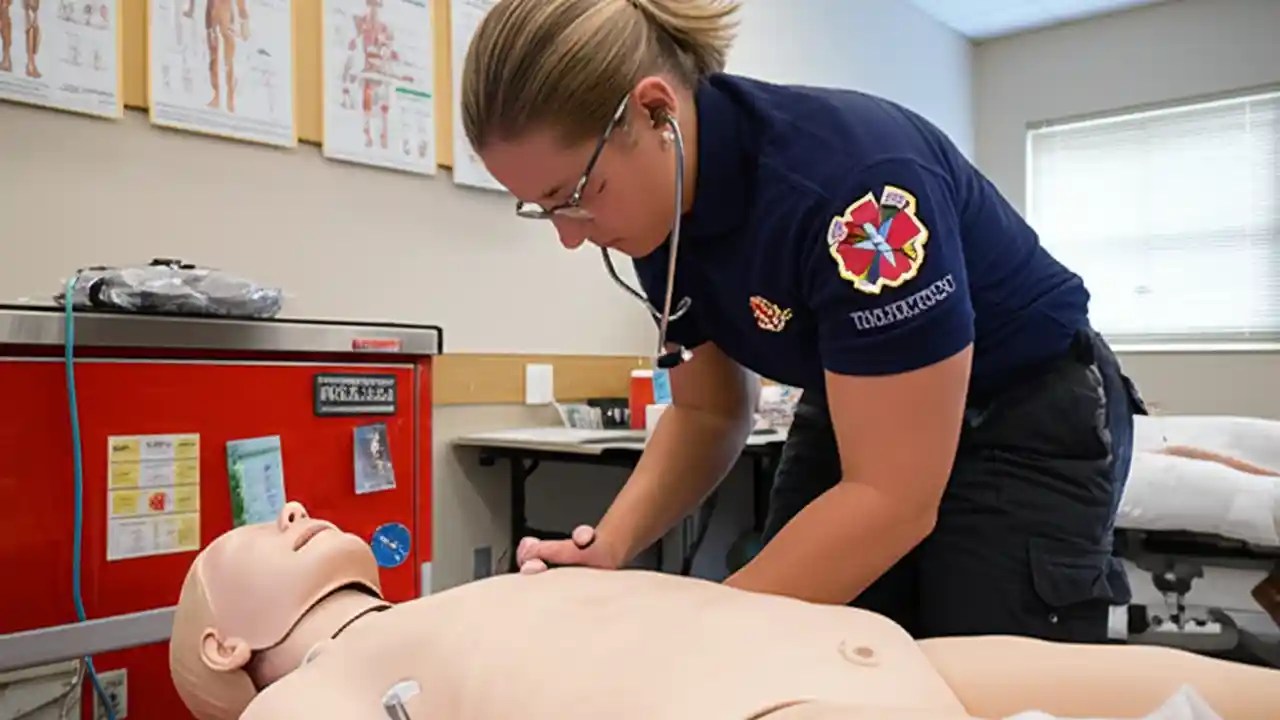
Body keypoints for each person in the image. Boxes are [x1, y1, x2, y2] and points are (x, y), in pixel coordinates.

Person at [460, 0, 1150, 642]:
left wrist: (703, 628)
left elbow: (894, 497)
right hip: (858, 400)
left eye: (575, 197)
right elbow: (708, 413)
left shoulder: (860, 191)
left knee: (973, 672)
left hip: (1022, 408)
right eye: (544, 209)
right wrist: (610, 545)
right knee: (811, 651)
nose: (571, 237)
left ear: (654, 112)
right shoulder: (658, 221)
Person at [169, 502, 1280, 720]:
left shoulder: (447, 606)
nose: (297, 505)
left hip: (864, 649)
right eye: (255, 534)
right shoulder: (311, 692)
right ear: (227, 642)